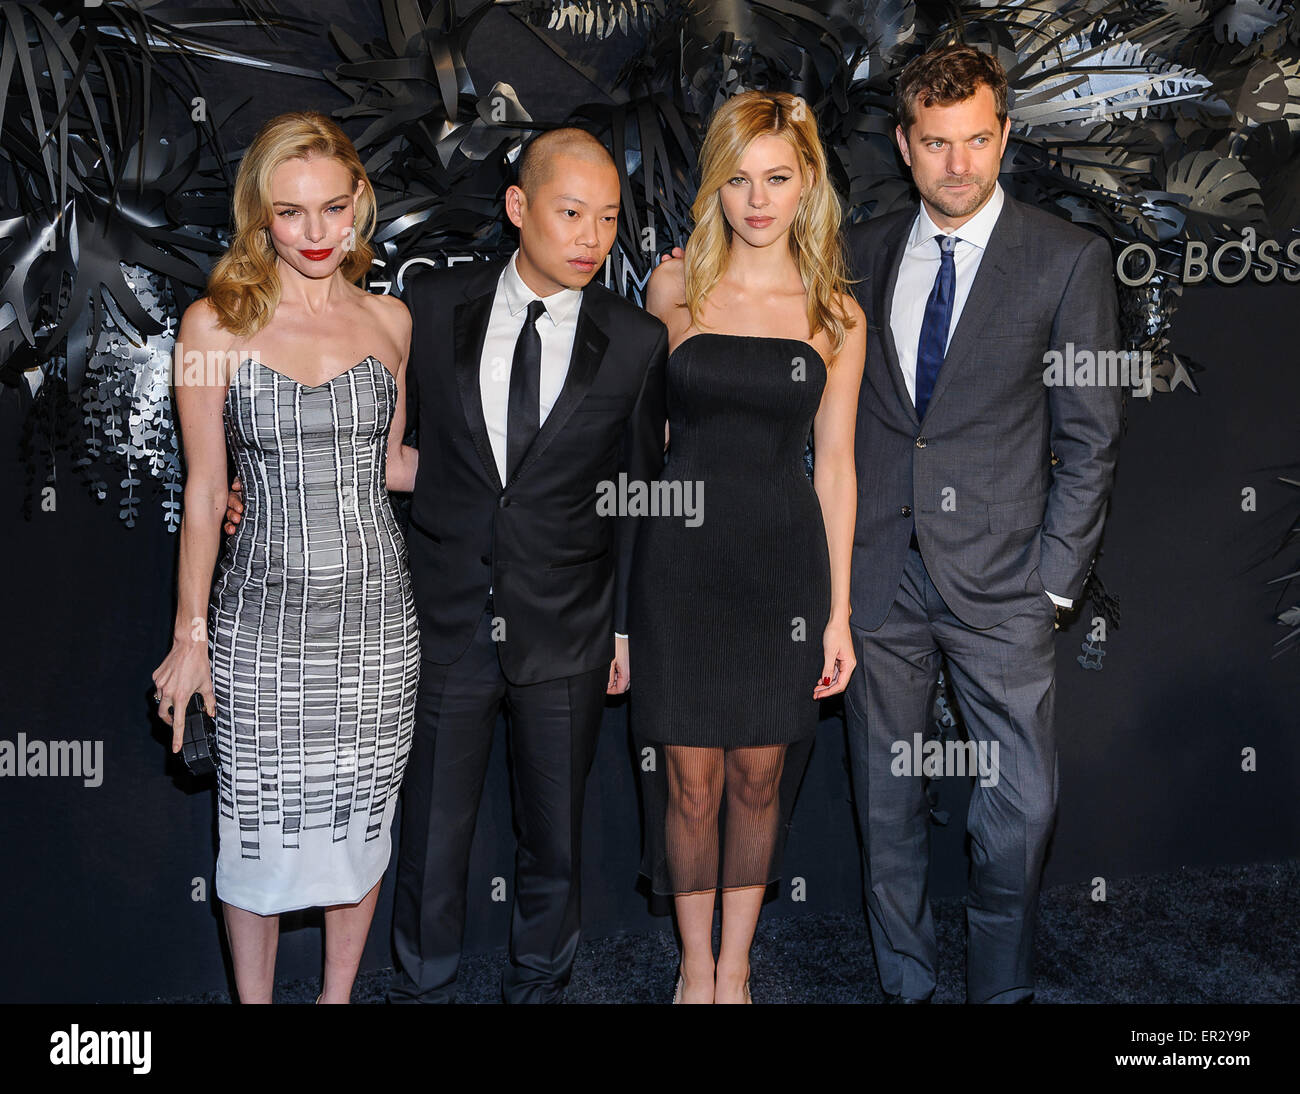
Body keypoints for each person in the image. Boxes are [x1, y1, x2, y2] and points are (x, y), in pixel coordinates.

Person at [844, 44, 1124, 1004]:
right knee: (887, 803)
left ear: (1003, 135)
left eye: (975, 141)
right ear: (904, 145)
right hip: (881, 572)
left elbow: (1090, 439)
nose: (957, 165)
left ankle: (998, 987)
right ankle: (908, 982)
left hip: (1006, 582)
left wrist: (1053, 582)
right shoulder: (860, 250)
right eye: (935, 143)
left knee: (1020, 803)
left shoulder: (1067, 259)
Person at [380, 128, 666, 1003]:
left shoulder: (636, 340)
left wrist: (622, 625)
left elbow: (637, 497)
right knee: (431, 829)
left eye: (608, 219)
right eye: (570, 212)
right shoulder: (431, 309)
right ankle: (423, 981)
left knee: (557, 832)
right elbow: (383, 449)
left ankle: (540, 981)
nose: (590, 236)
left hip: (569, 622)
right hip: (447, 614)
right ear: (518, 207)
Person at [152, 111, 420, 1003]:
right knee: (256, 839)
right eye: (290, 213)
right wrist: (191, 636)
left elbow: (391, 465)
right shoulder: (209, 327)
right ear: (259, 216)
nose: (314, 234)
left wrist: (520, 460)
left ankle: (337, 1001)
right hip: (261, 628)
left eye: (332, 210)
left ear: (358, 208)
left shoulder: (393, 322)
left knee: (360, 826)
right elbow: (202, 490)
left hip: (378, 627)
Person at [632, 90, 865, 1003]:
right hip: (681, 570)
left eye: (777, 178)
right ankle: (695, 972)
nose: (757, 199)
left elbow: (836, 467)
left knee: (760, 782)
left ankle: (737, 972)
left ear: (807, 181)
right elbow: (635, 446)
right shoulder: (671, 287)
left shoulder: (834, 309)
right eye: (737, 180)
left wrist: (838, 611)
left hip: (781, 569)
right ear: (715, 187)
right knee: (689, 786)